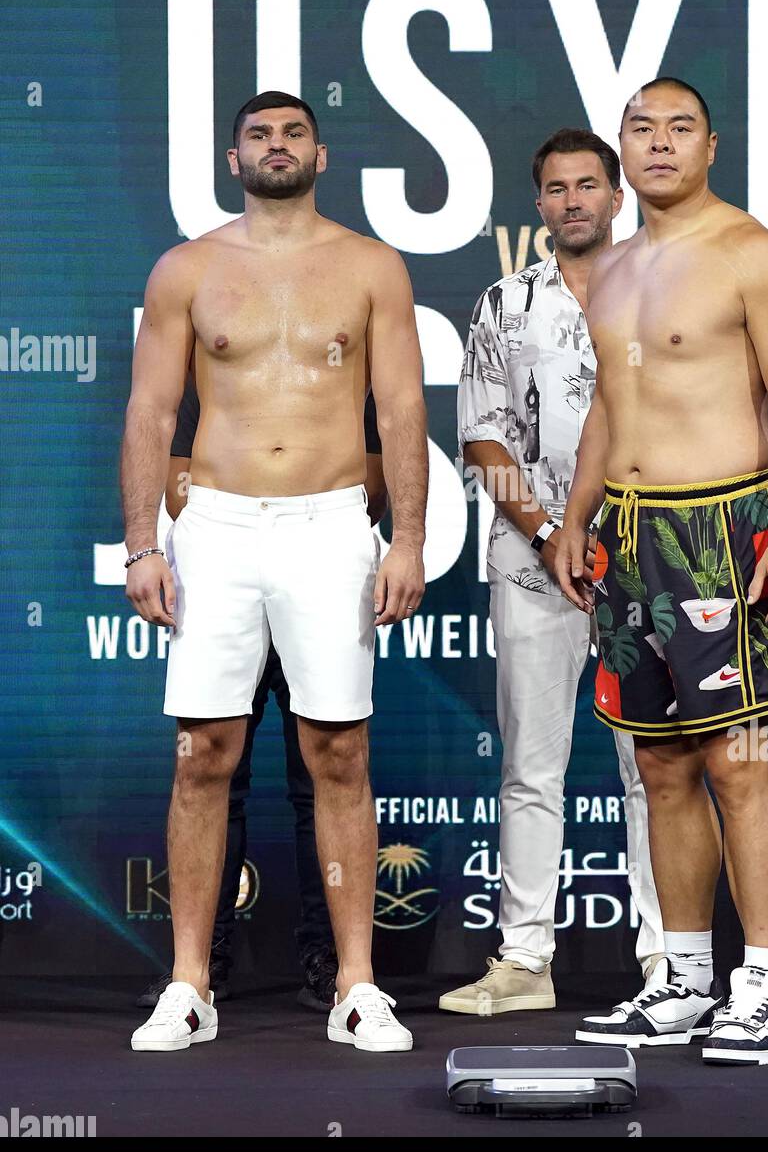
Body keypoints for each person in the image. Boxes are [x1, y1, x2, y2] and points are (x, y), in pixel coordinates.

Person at [123, 90, 427, 1054]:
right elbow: (148, 413)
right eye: (261, 134)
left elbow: (404, 410)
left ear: (321, 153)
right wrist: (142, 545)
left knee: (339, 753)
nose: (278, 145)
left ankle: (357, 985)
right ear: (233, 156)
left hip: (332, 522)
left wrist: (408, 541)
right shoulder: (188, 268)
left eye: (294, 132)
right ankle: (187, 985)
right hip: (214, 525)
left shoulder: (372, 266)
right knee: (202, 753)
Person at [559, 78, 768, 1065]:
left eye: (679, 129)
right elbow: (607, 410)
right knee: (659, 764)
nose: (659, 144)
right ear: (621, 146)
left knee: (736, 761)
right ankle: (683, 976)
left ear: (712, 144)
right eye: (641, 128)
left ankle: (763, 990)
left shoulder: (753, 256)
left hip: (723, 530)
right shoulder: (614, 267)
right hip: (629, 534)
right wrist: (576, 517)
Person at [443, 128, 666, 1018]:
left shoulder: (668, 290)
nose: (573, 201)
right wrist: (546, 533)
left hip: (651, 561)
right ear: (537, 206)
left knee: (655, 769)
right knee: (533, 768)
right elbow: (482, 434)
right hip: (535, 565)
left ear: (616, 196)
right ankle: (525, 961)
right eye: (556, 189)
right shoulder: (505, 302)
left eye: (588, 185)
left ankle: (670, 961)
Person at [135, 380, 388, 1013]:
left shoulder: (343, 374)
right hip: (227, 575)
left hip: (318, 575)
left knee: (325, 772)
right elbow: (177, 483)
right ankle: (201, 966)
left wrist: (309, 545)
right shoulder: (210, 373)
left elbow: (373, 489)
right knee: (213, 768)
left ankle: (334, 963)